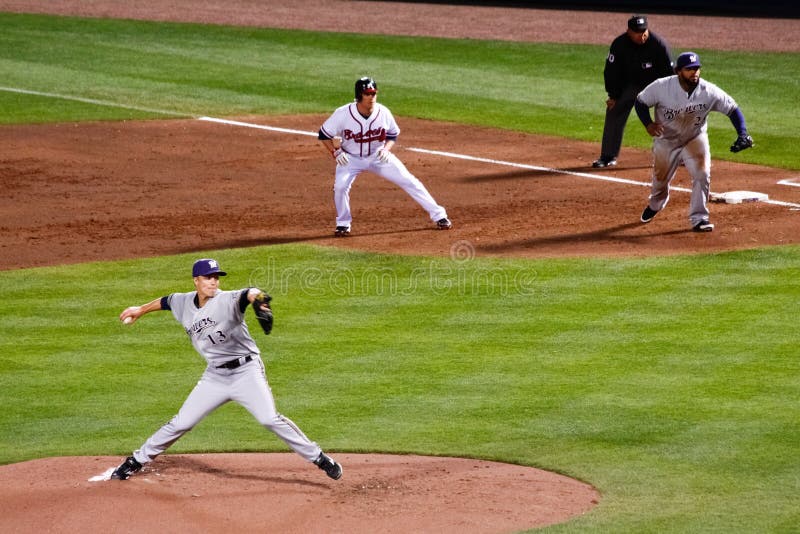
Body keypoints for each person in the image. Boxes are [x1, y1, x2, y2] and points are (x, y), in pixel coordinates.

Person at [110, 258, 342, 481]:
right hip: (215, 376)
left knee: (269, 419)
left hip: (246, 371)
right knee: (182, 422)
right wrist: (140, 309)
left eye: (216, 278)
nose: (213, 282)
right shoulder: (183, 302)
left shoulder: (226, 299)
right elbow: (166, 301)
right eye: (208, 277)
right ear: (196, 280)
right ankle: (135, 461)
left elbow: (248, 293)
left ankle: (319, 458)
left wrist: (260, 300)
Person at [634, 52, 754, 232]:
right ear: (678, 71)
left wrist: (742, 133)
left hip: (694, 138)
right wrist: (648, 124)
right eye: (689, 69)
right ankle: (656, 203)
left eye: (696, 68)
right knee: (660, 180)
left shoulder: (708, 91)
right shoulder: (661, 87)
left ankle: (700, 218)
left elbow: (732, 108)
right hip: (666, 140)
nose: (694, 73)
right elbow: (640, 102)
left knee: (702, 174)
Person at [318, 77, 452, 236]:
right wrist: (336, 152)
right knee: (340, 187)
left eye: (373, 93)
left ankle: (439, 216)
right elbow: (323, 134)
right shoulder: (343, 114)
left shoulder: (383, 112)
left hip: (378, 156)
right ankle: (343, 224)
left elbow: (392, 135)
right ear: (359, 95)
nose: (371, 97)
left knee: (409, 180)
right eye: (367, 94)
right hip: (351, 158)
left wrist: (386, 149)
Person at [593, 14, 674, 168]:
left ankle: (678, 154)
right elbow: (611, 71)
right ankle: (608, 156)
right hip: (631, 86)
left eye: (644, 31)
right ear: (629, 31)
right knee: (614, 110)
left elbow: (670, 73)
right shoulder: (619, 44)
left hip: (657, 86)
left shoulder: (658, 44)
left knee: (671, 113)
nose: (641, 35)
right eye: (637, 32)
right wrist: (613, 95)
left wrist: (672, 96)